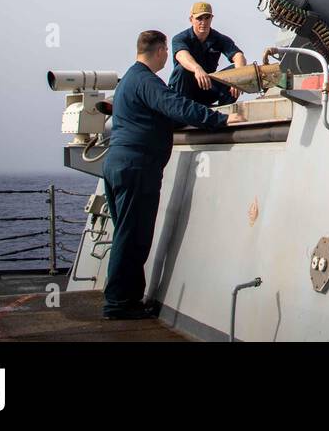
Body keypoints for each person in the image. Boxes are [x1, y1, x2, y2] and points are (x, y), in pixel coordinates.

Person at [101, 29, 245, 320]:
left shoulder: (128, 80)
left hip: (118, 163)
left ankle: (127, 298)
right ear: (159, 51)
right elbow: (176, 105)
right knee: (133, 237)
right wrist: (220, 119)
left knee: (126, 235)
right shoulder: (146, 81)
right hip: (136, 166)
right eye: (165, 51)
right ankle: (118, 304)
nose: (167, 56)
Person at [169, 1, 247, 106]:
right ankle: (181, 112)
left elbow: (238, 56)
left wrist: (238, 77)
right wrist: (197, 69)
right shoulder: (180, 38)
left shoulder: (218, 38)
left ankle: (224, 112)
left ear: (211, 19)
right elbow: (181, 55)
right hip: (184, 91)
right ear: (191, 19)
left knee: (237, 70)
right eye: (199, 18)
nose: (203, 22)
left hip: (206, 88)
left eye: (207, 18)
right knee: (182, 69)